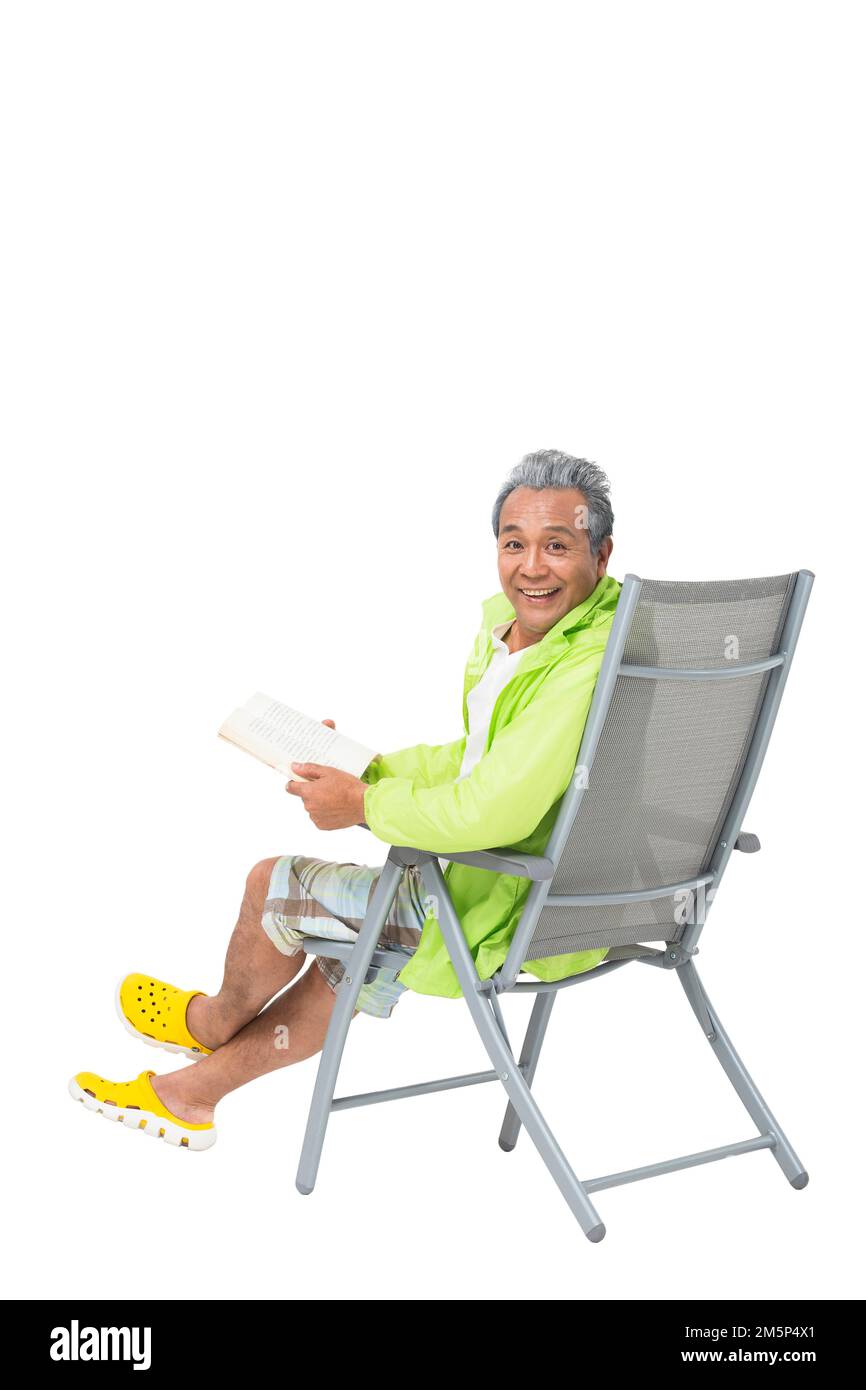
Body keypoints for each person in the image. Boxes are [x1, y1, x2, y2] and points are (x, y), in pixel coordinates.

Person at [69, 449, 621, 1150]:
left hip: (503, 911)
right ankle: (189, 1096)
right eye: (515, 544)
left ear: (600, 555)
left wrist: (363, 807)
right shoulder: (604, 636)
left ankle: (208, 1025)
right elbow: (485, 760)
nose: (532, 567)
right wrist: (369, 769)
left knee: (275, 885)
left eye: (558, 546)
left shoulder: (580, 664)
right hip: (580, 912)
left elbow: (491, 812)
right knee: (352, 942)